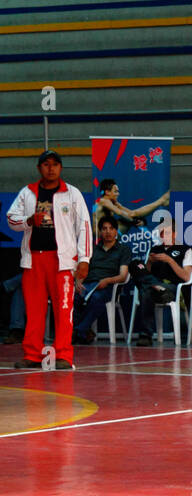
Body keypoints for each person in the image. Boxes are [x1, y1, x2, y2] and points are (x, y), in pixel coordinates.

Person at [5, 150, 92, 369]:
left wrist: (85, 260)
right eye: (46, 164)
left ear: (60, 168)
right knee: (34, 311)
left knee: (63, 310)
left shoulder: (72, 194)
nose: (50, 168)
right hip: (34, 260)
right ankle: (33, 354)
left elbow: (85, 227)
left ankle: (63, 355)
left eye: (55, 164)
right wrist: (29, 220)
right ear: (39, 168)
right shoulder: (28, 192)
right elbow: (11, 220)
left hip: (62, 261)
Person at [131, 218, 192, 345]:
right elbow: (144, 272)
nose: (164, 236)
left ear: (175, 234)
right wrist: (149, 262)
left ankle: (145, 335)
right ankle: (146, 335)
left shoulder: (185, 250)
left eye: (168, 233)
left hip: (172, 287)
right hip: (155, 288)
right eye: (162, 233)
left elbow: (186, 277)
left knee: (145, 290)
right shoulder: (155, 249)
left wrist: (170, 260)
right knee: (134, 265)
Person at [72, 218, 132, 344]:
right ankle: (83, 332)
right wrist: (78, 281)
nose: (108, 232)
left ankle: (78, 332)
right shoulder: (93, 249)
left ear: (116, 231)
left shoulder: (123, 250)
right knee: (74, 297)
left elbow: (123, 276)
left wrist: (107, 280)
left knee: (96, 298)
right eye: (104, 229)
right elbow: (83, 269)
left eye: (111, 228)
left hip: (109, 286)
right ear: (100, 232)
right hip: (89, 283)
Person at [94, 178, 169, 234]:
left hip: (107, 232)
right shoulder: (103, 201)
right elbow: (120, 213)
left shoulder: (110, 202)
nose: (118, 194)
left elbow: (131, 213)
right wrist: (134, 221)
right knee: (128, 218)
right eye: (115, 192)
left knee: (132, 215)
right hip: (100, 235)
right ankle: (161, 201)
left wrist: (136, 219)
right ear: (107, 192)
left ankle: (161, 201)